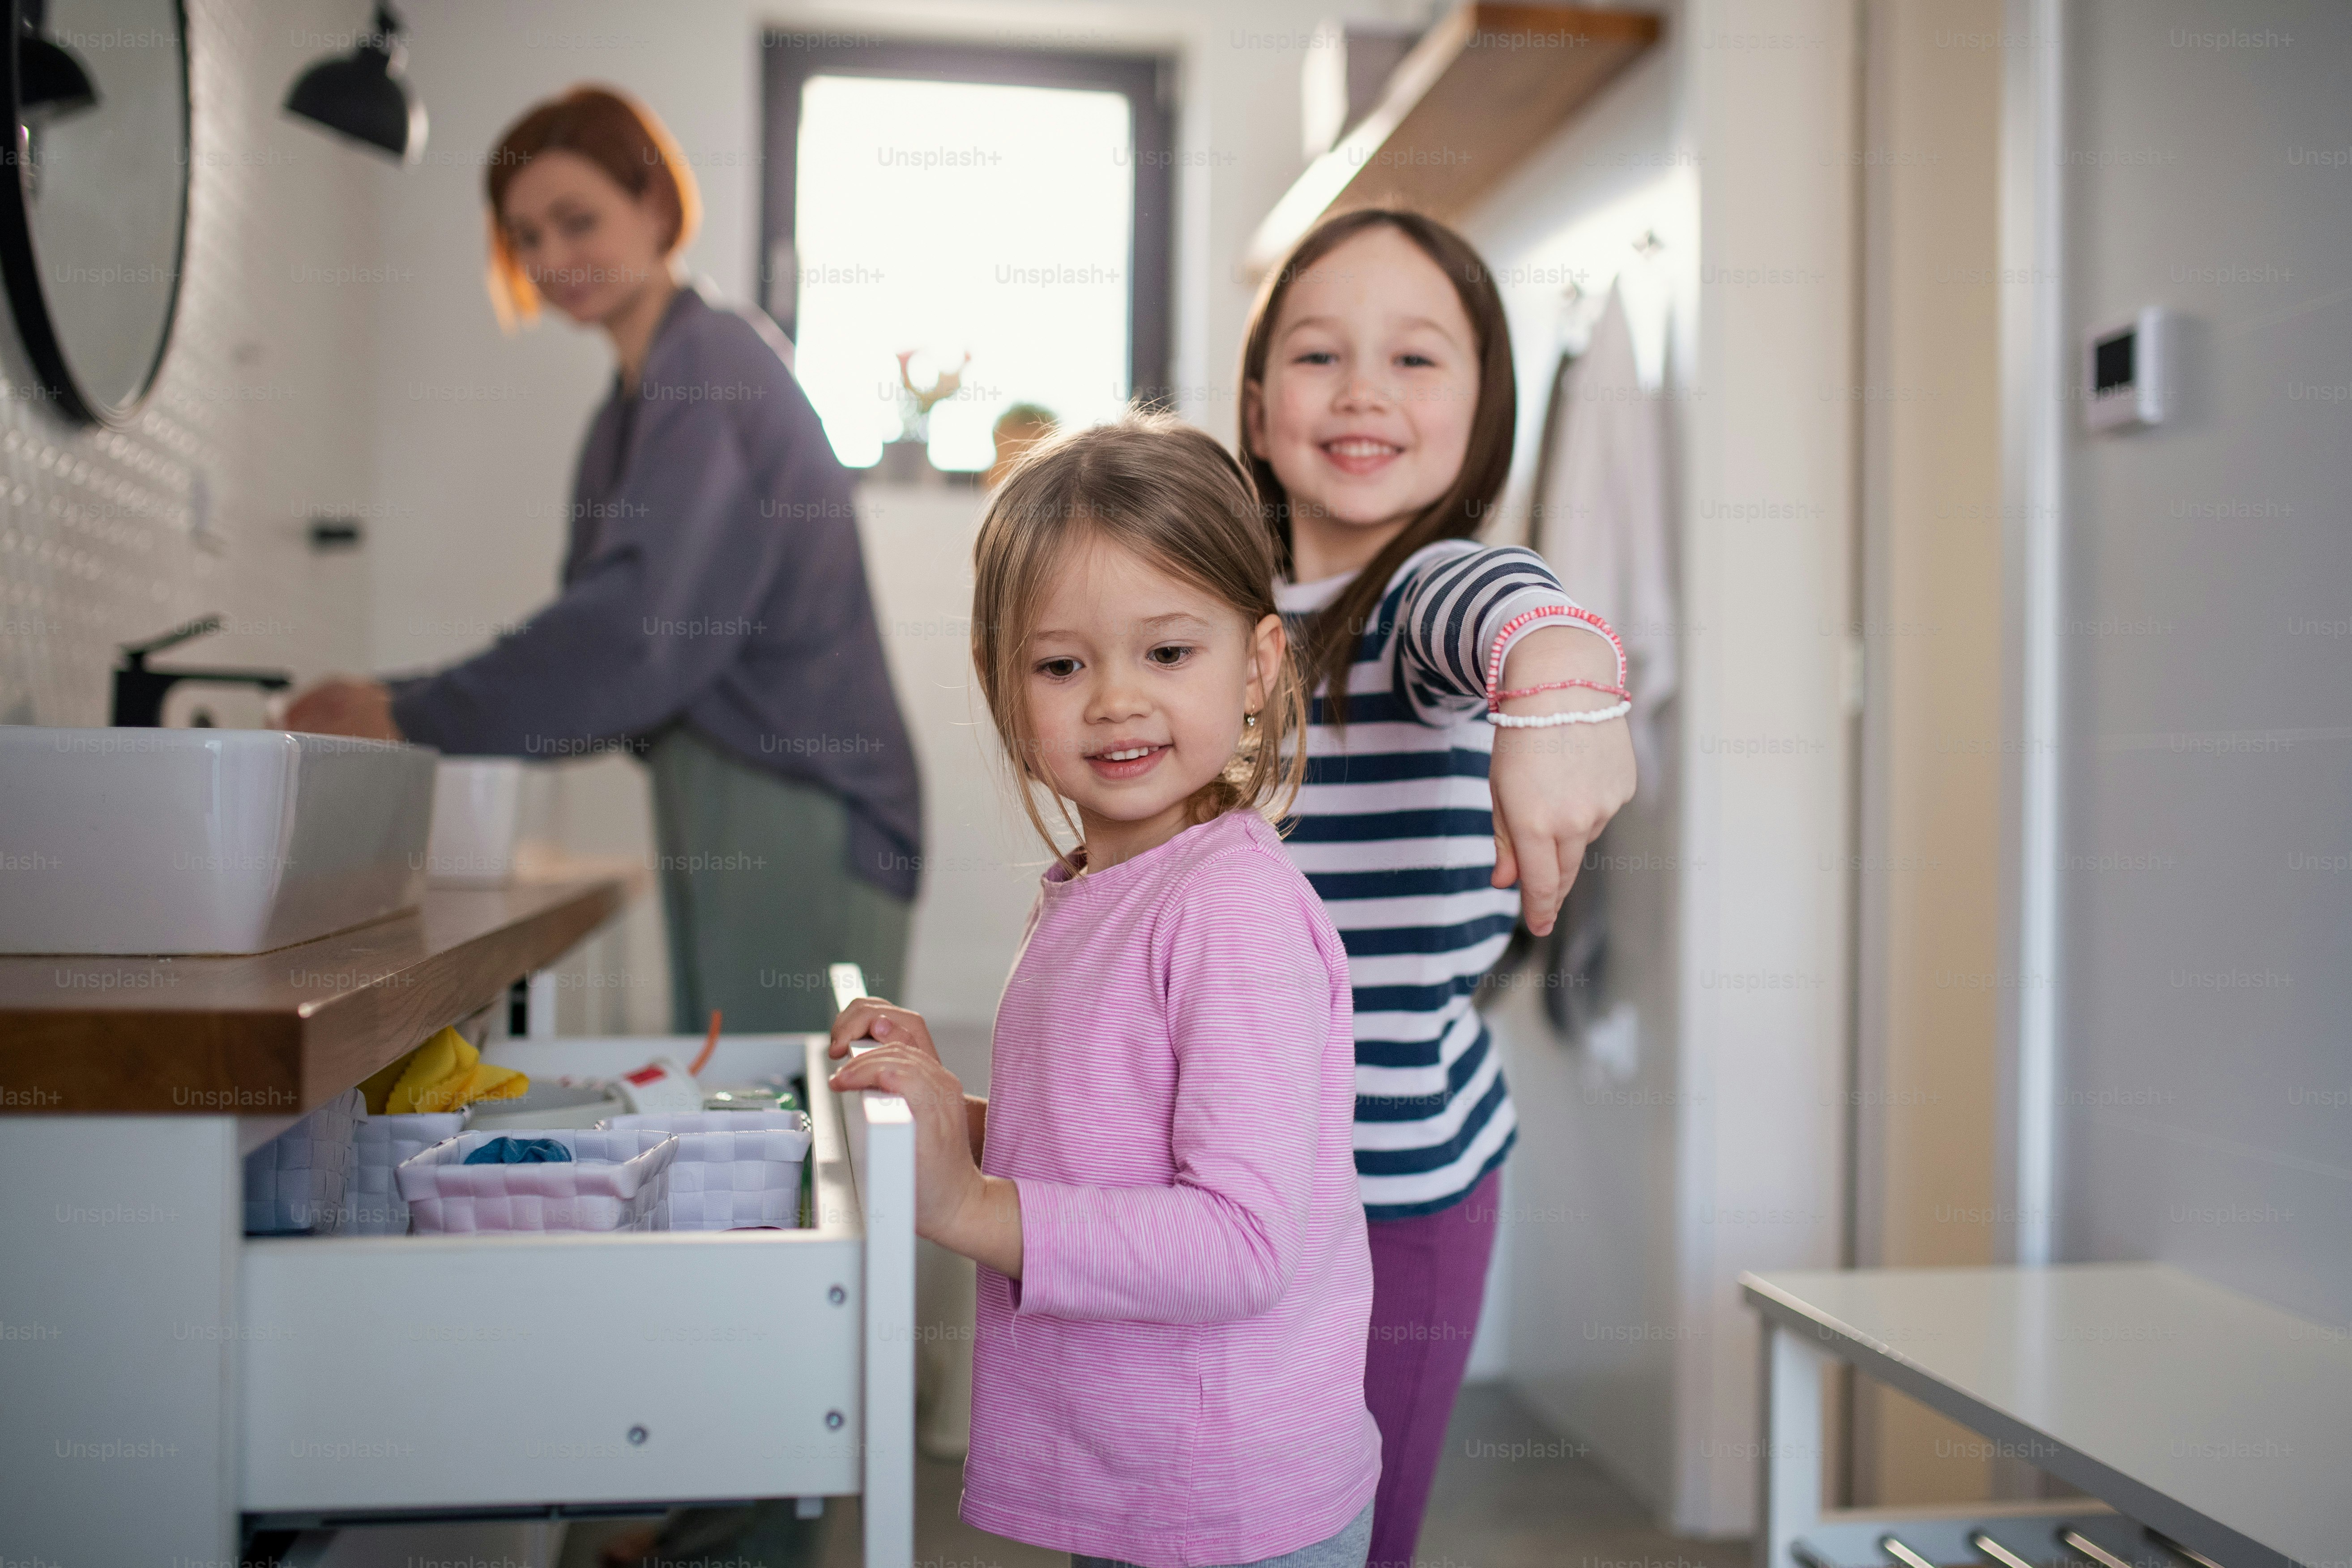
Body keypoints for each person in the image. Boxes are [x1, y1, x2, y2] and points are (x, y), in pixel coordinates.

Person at [827, 415, 1382, 1568]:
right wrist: (950, 1116)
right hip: (1149, 1483)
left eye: (1168, 653)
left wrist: (969, 1207)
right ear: (1005, 689)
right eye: (1062, 664)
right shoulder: (1107, 885)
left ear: (1259, 667)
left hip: (1226, 1504)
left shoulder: (1228, 913)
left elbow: (1235, 1242)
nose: (1115, 699)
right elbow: (1111, 1145)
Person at [286, 86, 920, 1033]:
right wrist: (408, 705)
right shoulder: (641, 396)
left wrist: (404, 710)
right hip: (745, 786)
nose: (551, 259)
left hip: (795, 799)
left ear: (657, 206)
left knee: (787, 1127)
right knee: (756, 1113)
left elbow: (630, 637)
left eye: (577, 221)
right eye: (526, 237)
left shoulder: (705, 370)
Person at [1236, 209, 1638, 1568]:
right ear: (1255, 396)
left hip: (1393, 1194)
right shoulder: (1215, 633)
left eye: (1416, 359)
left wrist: (1564, 677)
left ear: (1486, 408)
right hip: (1209, 1195)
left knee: (1349, 1541)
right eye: (1317, 355)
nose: (1361, 392)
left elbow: (1502, 598)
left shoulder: (1423, 606)